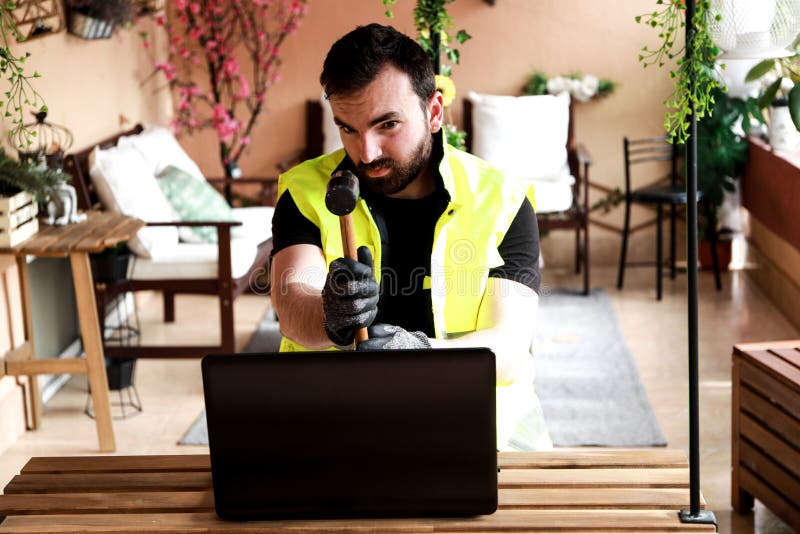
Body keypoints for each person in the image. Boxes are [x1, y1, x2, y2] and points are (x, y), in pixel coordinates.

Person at [270, 23, 551, 450]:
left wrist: (419, 355)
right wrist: (329, 316)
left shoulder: (503, 200)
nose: (367, 152)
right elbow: (292, 306)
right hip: (333, 425)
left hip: (477, 429)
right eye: (348, 128)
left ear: (434, 112)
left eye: (387, 125)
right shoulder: (306, 192)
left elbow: (510, 346)